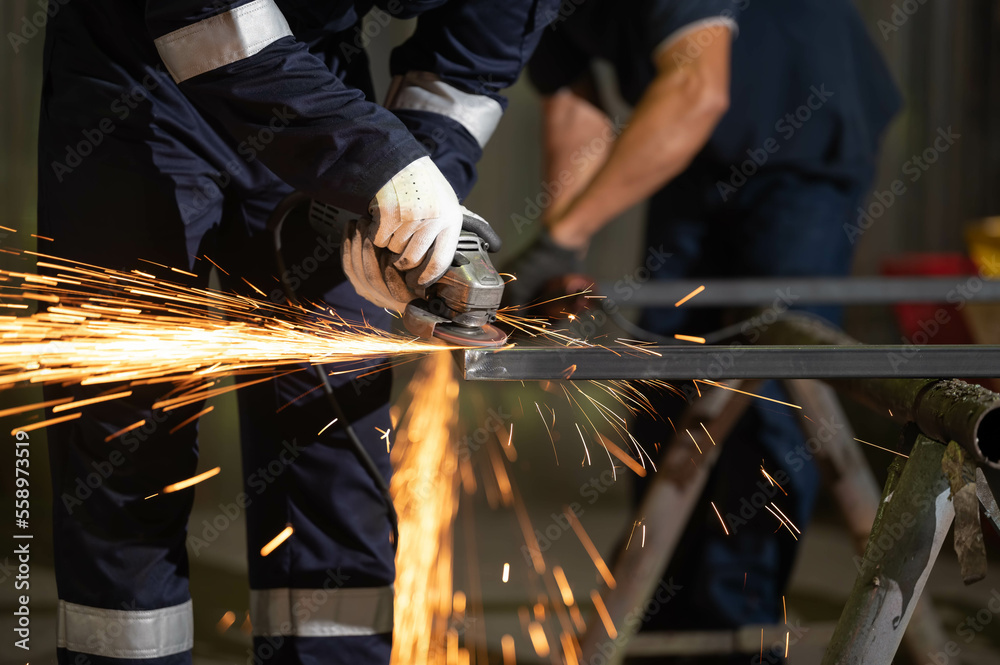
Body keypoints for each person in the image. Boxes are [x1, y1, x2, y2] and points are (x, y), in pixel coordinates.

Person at [37, 1, 556, 662]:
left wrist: (417, 207)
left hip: (312, 80)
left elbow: (463, 70)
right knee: (130, 439)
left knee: (331, 433)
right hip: (133, 78)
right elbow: (199, 14)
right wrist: (377, 159)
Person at [510, 0, 900, 661]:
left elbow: (699, 89)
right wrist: (562, 251)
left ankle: (731, 637)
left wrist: (560, 237)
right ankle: (662, 628)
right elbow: (577, 105)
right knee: (662, 379)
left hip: (805, 126)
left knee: (768, 398)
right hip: (693, 151)